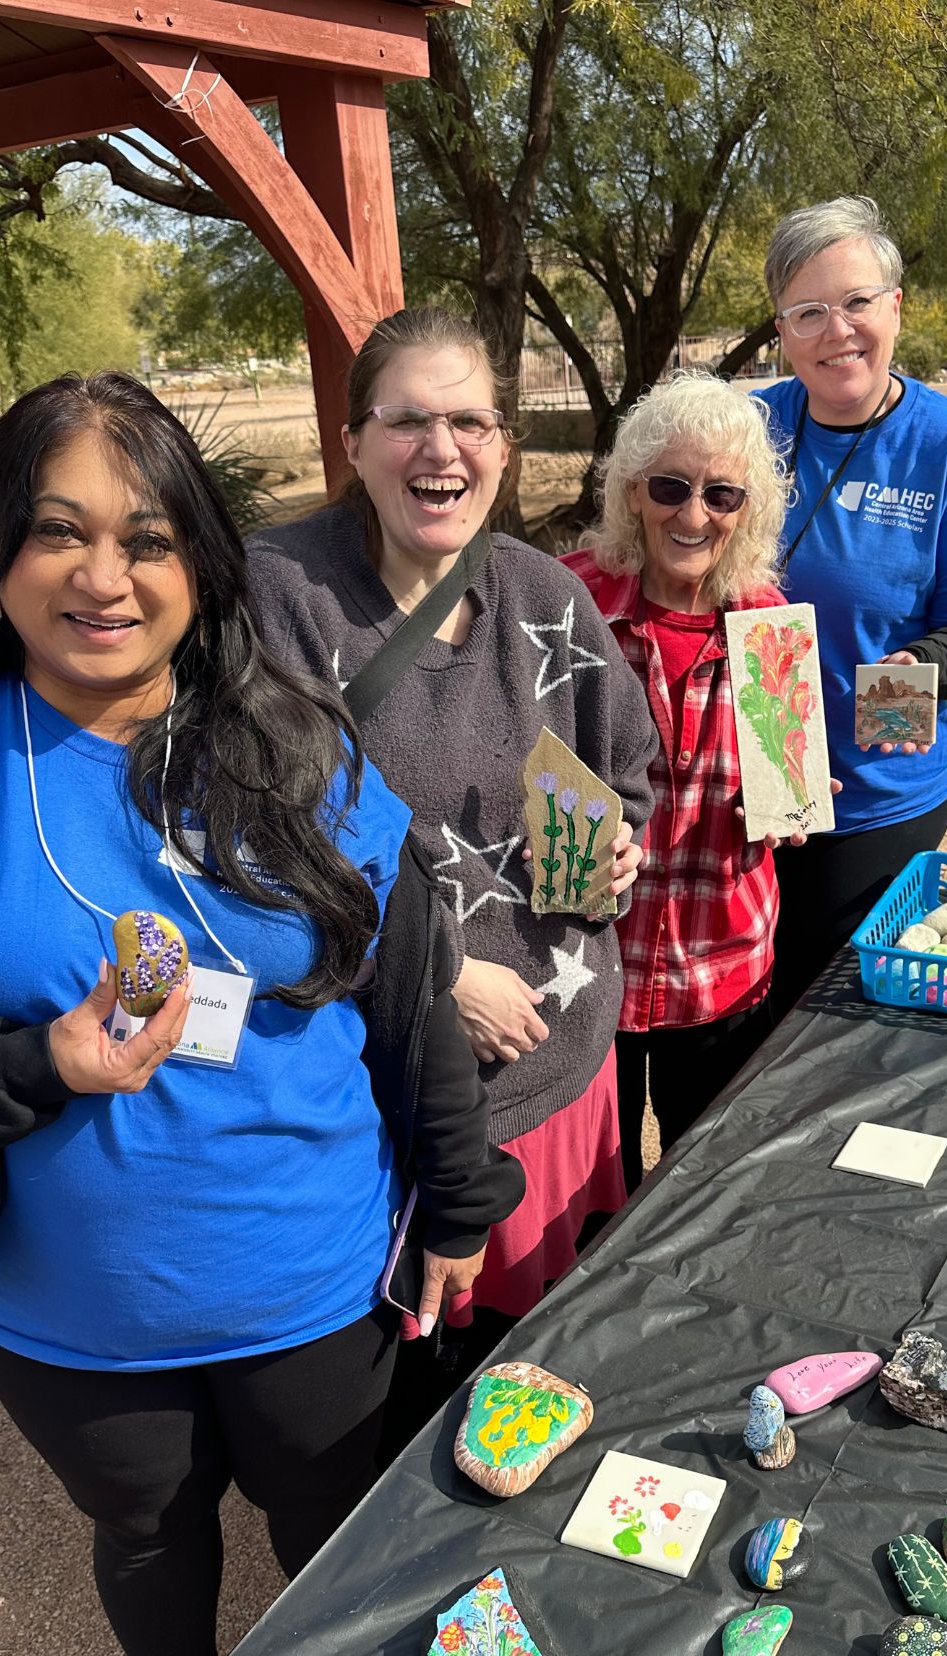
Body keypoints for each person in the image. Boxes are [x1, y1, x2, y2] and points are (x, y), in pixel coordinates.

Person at [0, 373, 521, 1656]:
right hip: (65, 1315)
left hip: (314, 1279)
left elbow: (407, 1003)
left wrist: (466, 1200)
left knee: (328, 1529)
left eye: (146, 538)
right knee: (148, 1539)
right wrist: (30, 1065)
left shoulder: (298, 743)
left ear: (201, 564)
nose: (104, 577)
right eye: (59, 534)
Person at [246, 307, 657, 1445]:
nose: (442, 448)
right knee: (410, 1380)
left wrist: (617, 848)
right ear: (354, 442)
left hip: (562, 1050)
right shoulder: (277, 596)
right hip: (393, 1081)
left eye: (469, 419)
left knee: (534, 1355)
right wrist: (431, 974)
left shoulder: (543, 593)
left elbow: (624, 774)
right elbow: (254, 844)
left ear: (504, 445)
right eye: (408, 420)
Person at [754, 195, 947, 1013]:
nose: (835, 331)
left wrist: (920, 672)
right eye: (807, 312)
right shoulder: (746, 427)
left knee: (830, 1013)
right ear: (780, 330)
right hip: (749, 781)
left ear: (894, 307)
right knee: (739, 1013)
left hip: (877, 798)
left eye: (855, 302)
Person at [560, 372, 811, 1187]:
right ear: (631, 491)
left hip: (719, 962)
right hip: (583, 966)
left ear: (749, 509)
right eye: (669, 486)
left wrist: (796, 804)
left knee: (700, 1183)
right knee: (591, 1195)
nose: (693, 514)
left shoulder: (770, 630)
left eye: (721, 494)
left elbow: (792, 775)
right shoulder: (566, 604)